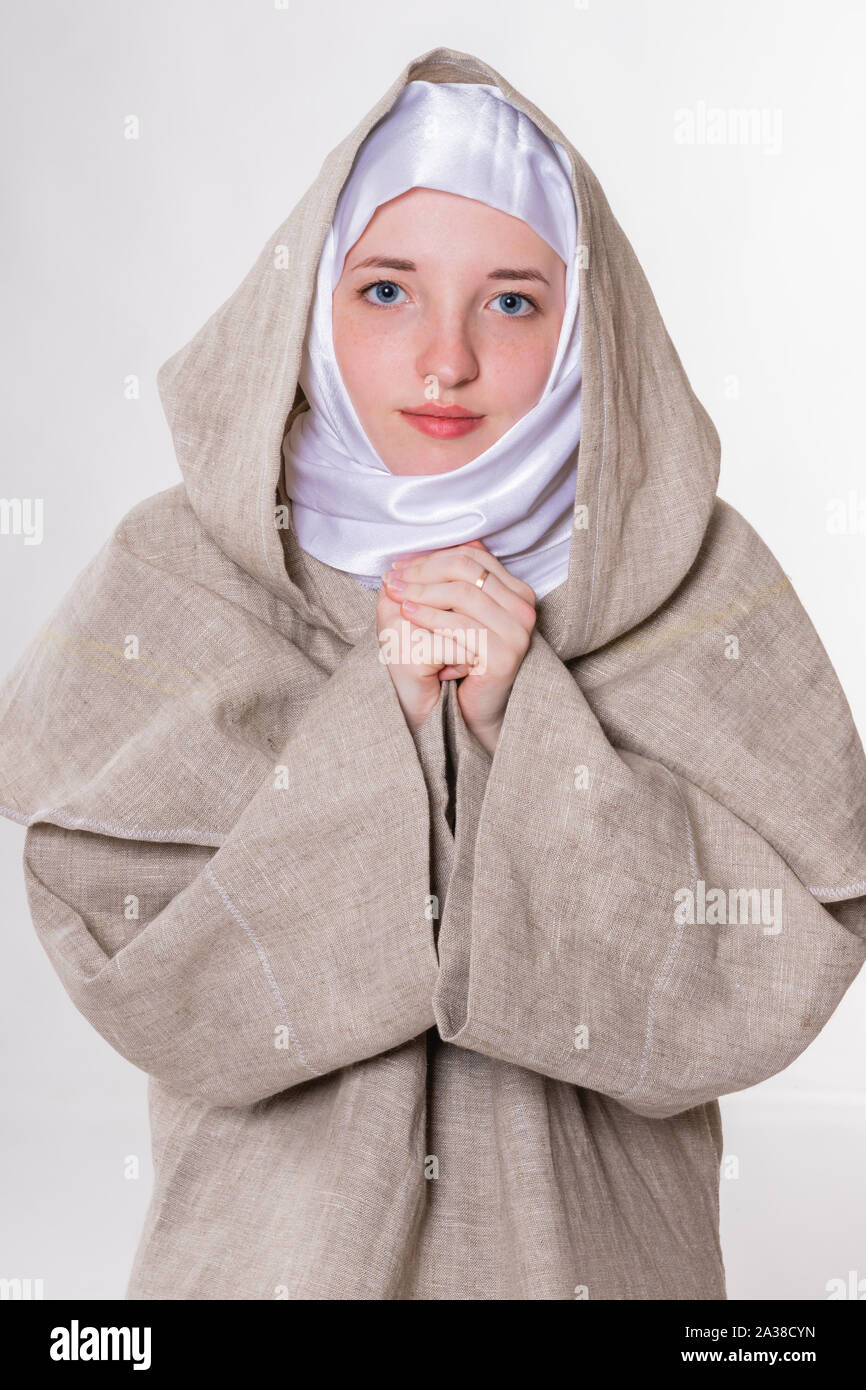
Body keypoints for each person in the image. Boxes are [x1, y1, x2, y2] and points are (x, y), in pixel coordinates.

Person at [1, 46, 864, 1302]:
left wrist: (531, 722)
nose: (444, 360)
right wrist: (384, 717)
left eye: (511, 301)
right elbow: (137, 954)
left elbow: (780, 951)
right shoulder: (186, 568)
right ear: (311, 303)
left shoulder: (690, 576)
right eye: (388, 291)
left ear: (584, 328)